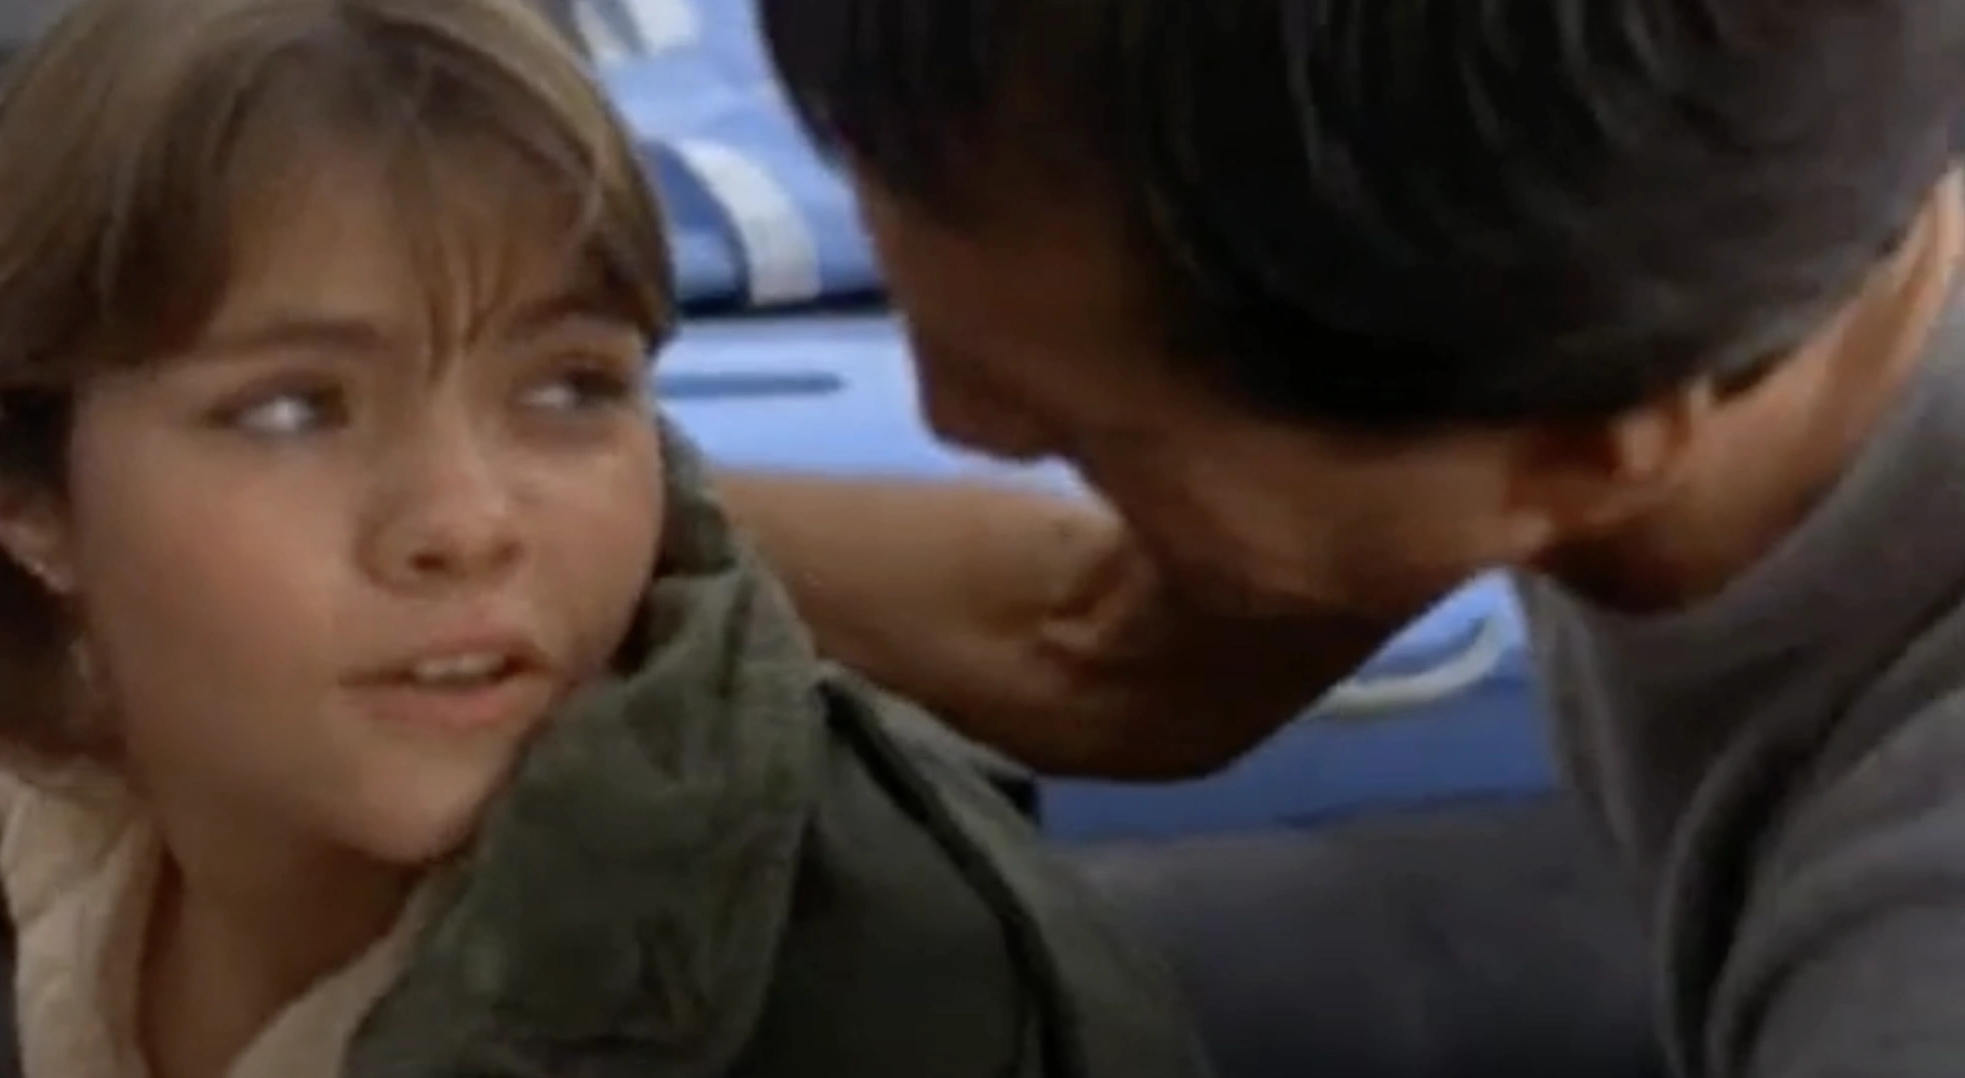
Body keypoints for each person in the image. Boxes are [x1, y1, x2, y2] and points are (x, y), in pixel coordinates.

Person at [0, 0, 1212, 1076]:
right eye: (291, 411)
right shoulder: (138, 785)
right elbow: (77, 769)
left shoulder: (898, 1005)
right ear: (19, 492)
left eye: (568, 388)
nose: (465, 523)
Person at [707, 2, 1965, 1077]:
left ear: (1579, 453)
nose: (950, 421)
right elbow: (1103, 646)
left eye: (1085, 430)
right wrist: (589, 497)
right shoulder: (1673, 180)